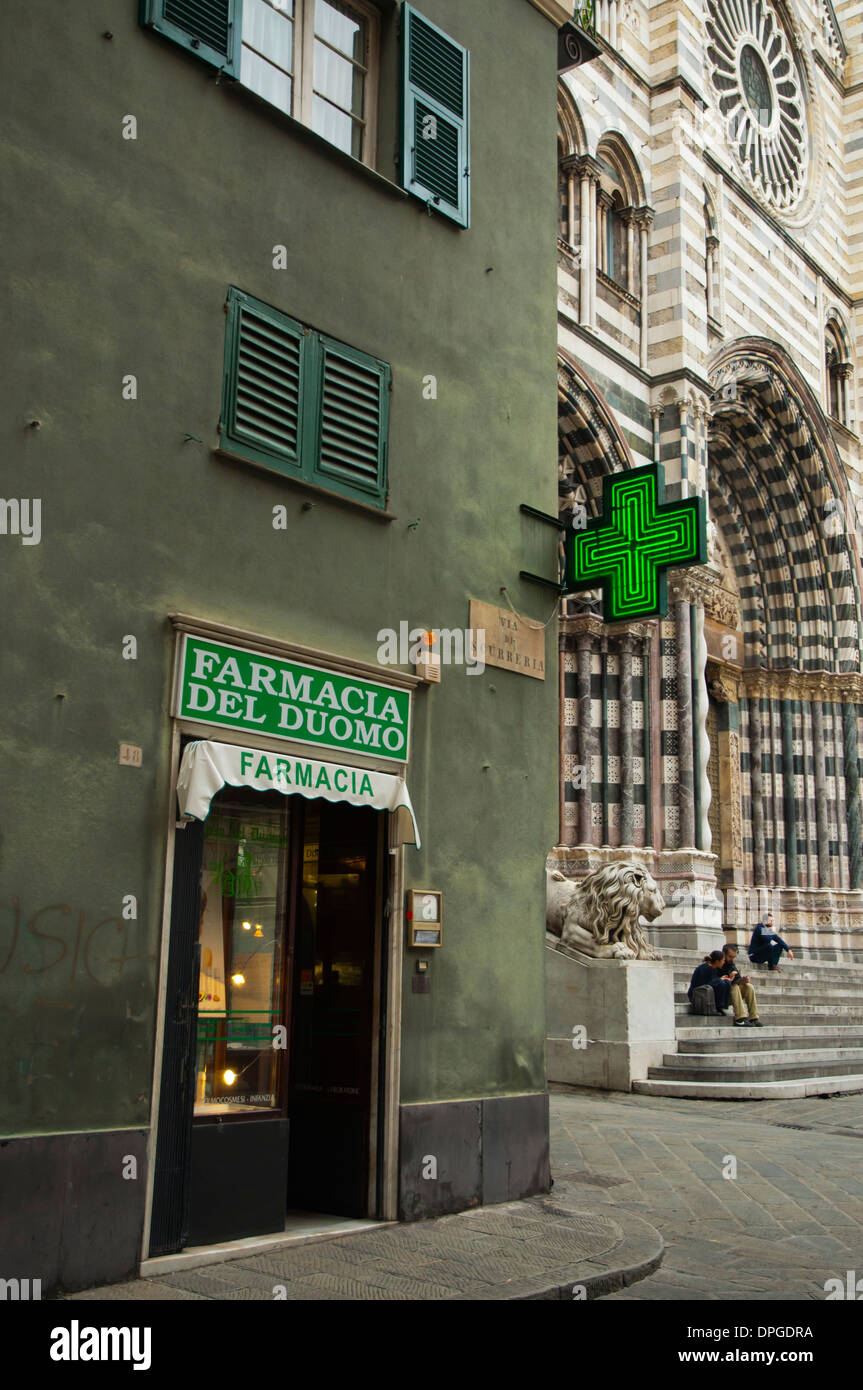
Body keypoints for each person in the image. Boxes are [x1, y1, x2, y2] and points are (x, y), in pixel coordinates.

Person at [721, 944, 762, 1027]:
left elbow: (737, 978)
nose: (732, 959)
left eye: (733, 957)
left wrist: (743, 980)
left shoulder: (731, 964)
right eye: (730, 956)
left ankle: (754, 1017)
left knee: (749, 987)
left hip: (728, 995)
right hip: (719, 996)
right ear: (723, 954)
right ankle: (740, 1018)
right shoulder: (717, 962)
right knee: (734, 986)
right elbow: (716, 982)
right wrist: (729, 979)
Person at [687, 950, 731, 1014]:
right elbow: (706, 984)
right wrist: (720, 980)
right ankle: (718, 1006)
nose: (724, 963)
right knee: (722, 983)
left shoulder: (712, 968)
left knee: (726, 982)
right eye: (723, 961)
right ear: (717, 961)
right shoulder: (705, 968)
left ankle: (721, 1006)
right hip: (697, 996)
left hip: (705, 993)